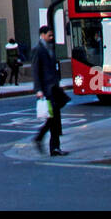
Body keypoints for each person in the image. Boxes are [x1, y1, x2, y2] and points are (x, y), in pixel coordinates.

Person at [31, 25, 68, 156]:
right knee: (53, 116)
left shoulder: (49, 48)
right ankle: (46, 142)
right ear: (42, 35)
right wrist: (38, 89)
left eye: (52, 35)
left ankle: (51, 145)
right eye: (49, 35)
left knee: (55, 116)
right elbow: (35, 71)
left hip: (53, 87)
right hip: (46, 89)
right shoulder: (38, 49)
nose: (51, 38)